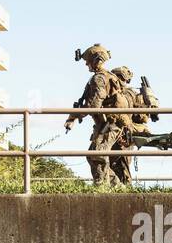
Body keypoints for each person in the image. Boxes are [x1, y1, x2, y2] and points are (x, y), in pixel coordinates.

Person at [66, 44, 119, 185]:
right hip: (108, 124)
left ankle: (102, 187)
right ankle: (115, 187)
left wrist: (74, 116)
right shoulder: (108, 76)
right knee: (94, 154)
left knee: (96, 155)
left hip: (109, 124)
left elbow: (93, 105)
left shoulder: (99, 79)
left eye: (88, 61)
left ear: (97, 60)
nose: (86, 64)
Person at [107, 66, 159, 184]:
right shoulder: (130, 93)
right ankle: (120, 190)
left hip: (123, 134)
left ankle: (123, 190)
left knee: (121, 166)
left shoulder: (126, 94)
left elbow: (139, 117)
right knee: (115, 165)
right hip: (121, 134)